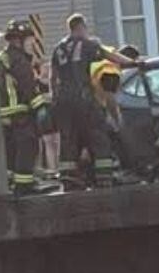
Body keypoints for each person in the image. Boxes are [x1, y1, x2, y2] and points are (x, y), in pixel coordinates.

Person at [50, 13, 136, 188]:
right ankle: (104, 177)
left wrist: (55, 99)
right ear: (81, 27)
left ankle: (69, 179)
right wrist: (134, 63)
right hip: (83, 97)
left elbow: (53, 77)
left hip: (63, 100)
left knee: (69, 138)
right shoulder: (88, 44)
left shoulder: (58, 49)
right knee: (98, 135)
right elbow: (111, 56)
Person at [0, 18, 49, 195]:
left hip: (3, 115)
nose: (31, 44)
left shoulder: (0, 58)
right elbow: (27, 87)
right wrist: (42, 107)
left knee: (11, 152)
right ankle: (25, 186)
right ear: (18, 40)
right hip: (20, 114)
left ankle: (11, 185)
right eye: (29, 40)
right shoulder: (18, 59)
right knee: (28, 148)